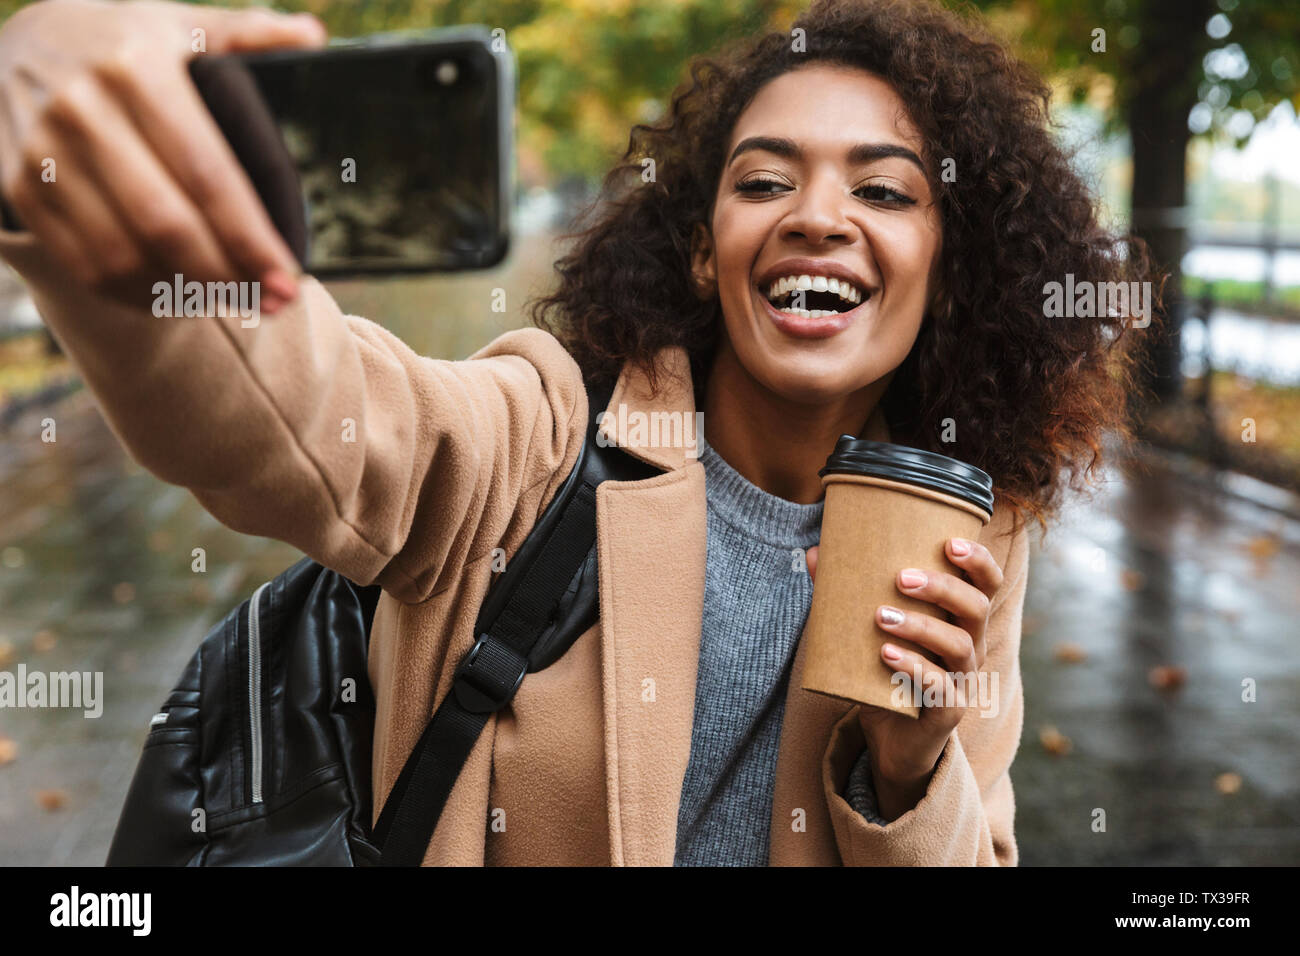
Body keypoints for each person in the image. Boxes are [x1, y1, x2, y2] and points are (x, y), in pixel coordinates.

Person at [0, 0, 1157, 865]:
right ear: (704, 250)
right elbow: (296, 419)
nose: (817, 217)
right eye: (764, 182)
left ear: (950, 266)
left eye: (885, 192)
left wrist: (909, 774)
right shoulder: (546, 432)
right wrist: (78, 180)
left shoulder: (970, 529)